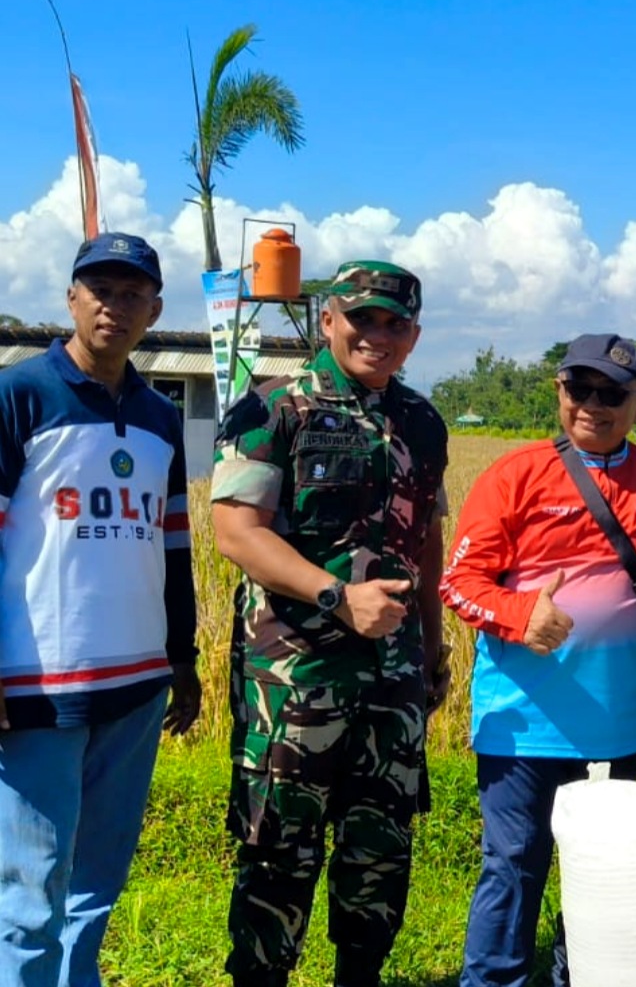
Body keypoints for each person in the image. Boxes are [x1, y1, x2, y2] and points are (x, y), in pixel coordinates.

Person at [440, 334, 636, 987]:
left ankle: (582, 975)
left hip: (622, 723)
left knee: (602, 866)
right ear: (560, 393)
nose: (592, 405)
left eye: (611, 393)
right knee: (513, 861)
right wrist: (518, 614)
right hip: (522, 719)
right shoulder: (514, 475)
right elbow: (459, 581)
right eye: (578, 389)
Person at [211, 261, 450, 987]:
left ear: (413, 335)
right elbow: (237, 532)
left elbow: (426, 542)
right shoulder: (272, 409)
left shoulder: (421, 421)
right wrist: (337, 600)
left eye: (395, 323)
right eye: (362, 318)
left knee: (380, 846)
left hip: (393, 676)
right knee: (278, 845)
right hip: (295, 675)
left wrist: (435, 644)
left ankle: (360, 975)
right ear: (328, 320)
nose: (377, 335)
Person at [0, 233, 201, 987]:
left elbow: (173, 549)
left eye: (130, 293)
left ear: (153, 308)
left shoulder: (158, 416)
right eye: (100, 289)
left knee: (96, 885)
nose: (114, 305)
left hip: (138, 686)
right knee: (30, 892)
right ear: (72, 298)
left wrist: (182, 659)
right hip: (39, 688)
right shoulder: (20, 395)